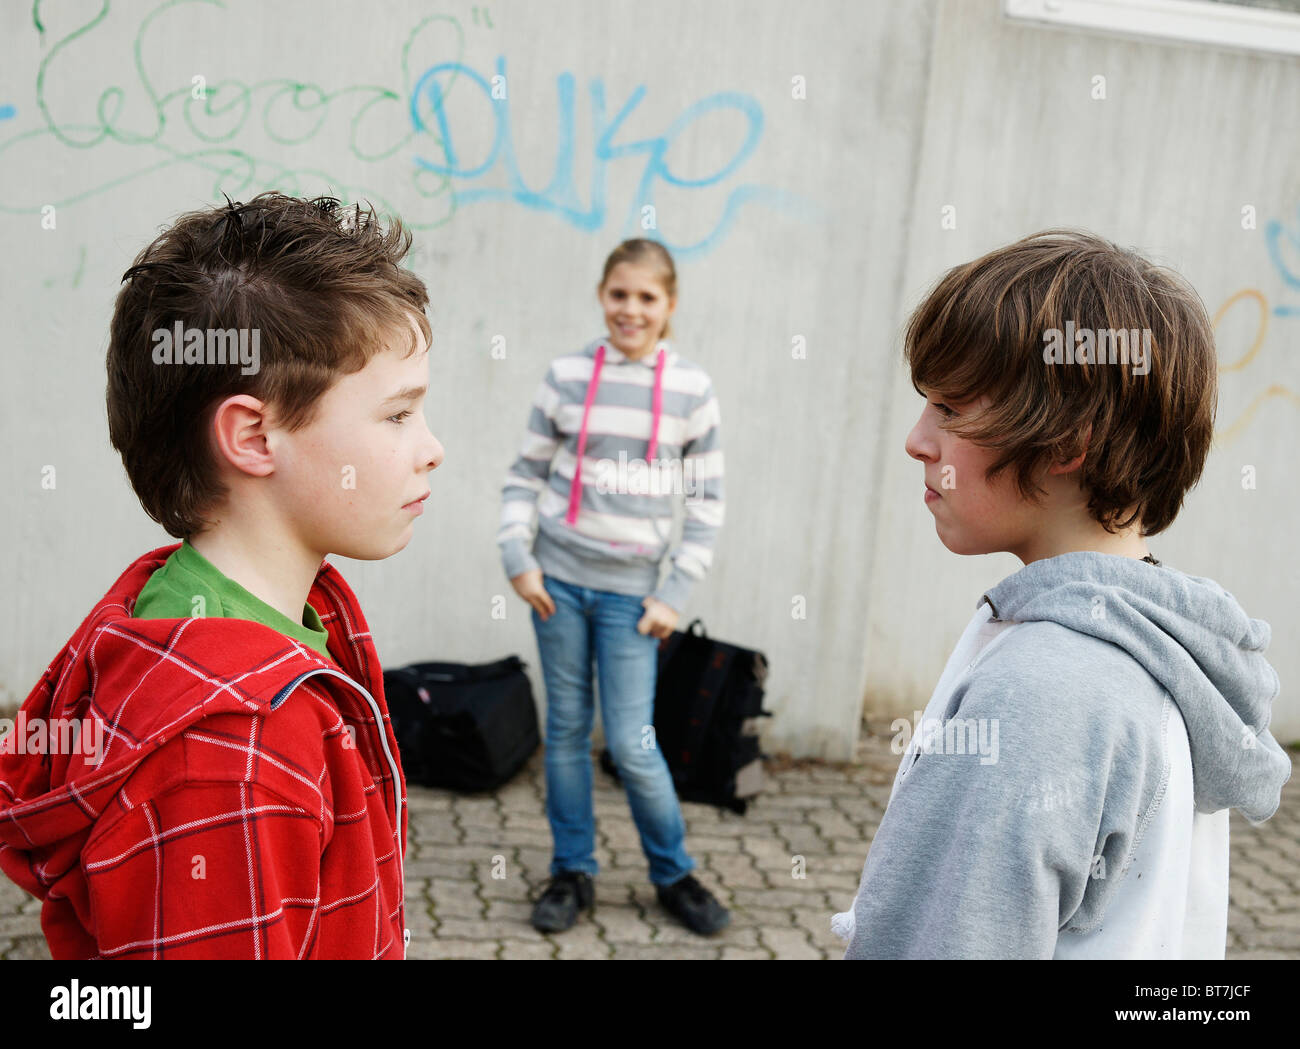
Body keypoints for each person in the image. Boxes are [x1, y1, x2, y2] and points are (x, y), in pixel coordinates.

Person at [0, 192, 443, 958]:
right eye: (398, 415)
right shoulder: (230, 756)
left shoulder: (234, 606)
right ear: (252, 436)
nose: (431, 447)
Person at [834, 229, 1292, 959]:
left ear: (1064, 442)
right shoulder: (1163, 650)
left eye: (950, 409)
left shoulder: (1046, 689)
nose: (919, 440)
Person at [498, 239, 730, 935]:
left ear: (670, 305)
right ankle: (573, 870)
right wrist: (518, 555)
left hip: (635, 597)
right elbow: (524, 474)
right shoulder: (567, 375)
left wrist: (675, 591)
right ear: (602, 294)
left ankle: (674, 872)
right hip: (558, 583)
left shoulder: (691, 389)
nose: (631, 309)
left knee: (632, 741)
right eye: (619, 294)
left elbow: (707, 500)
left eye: (647, 298)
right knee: (566, 729)